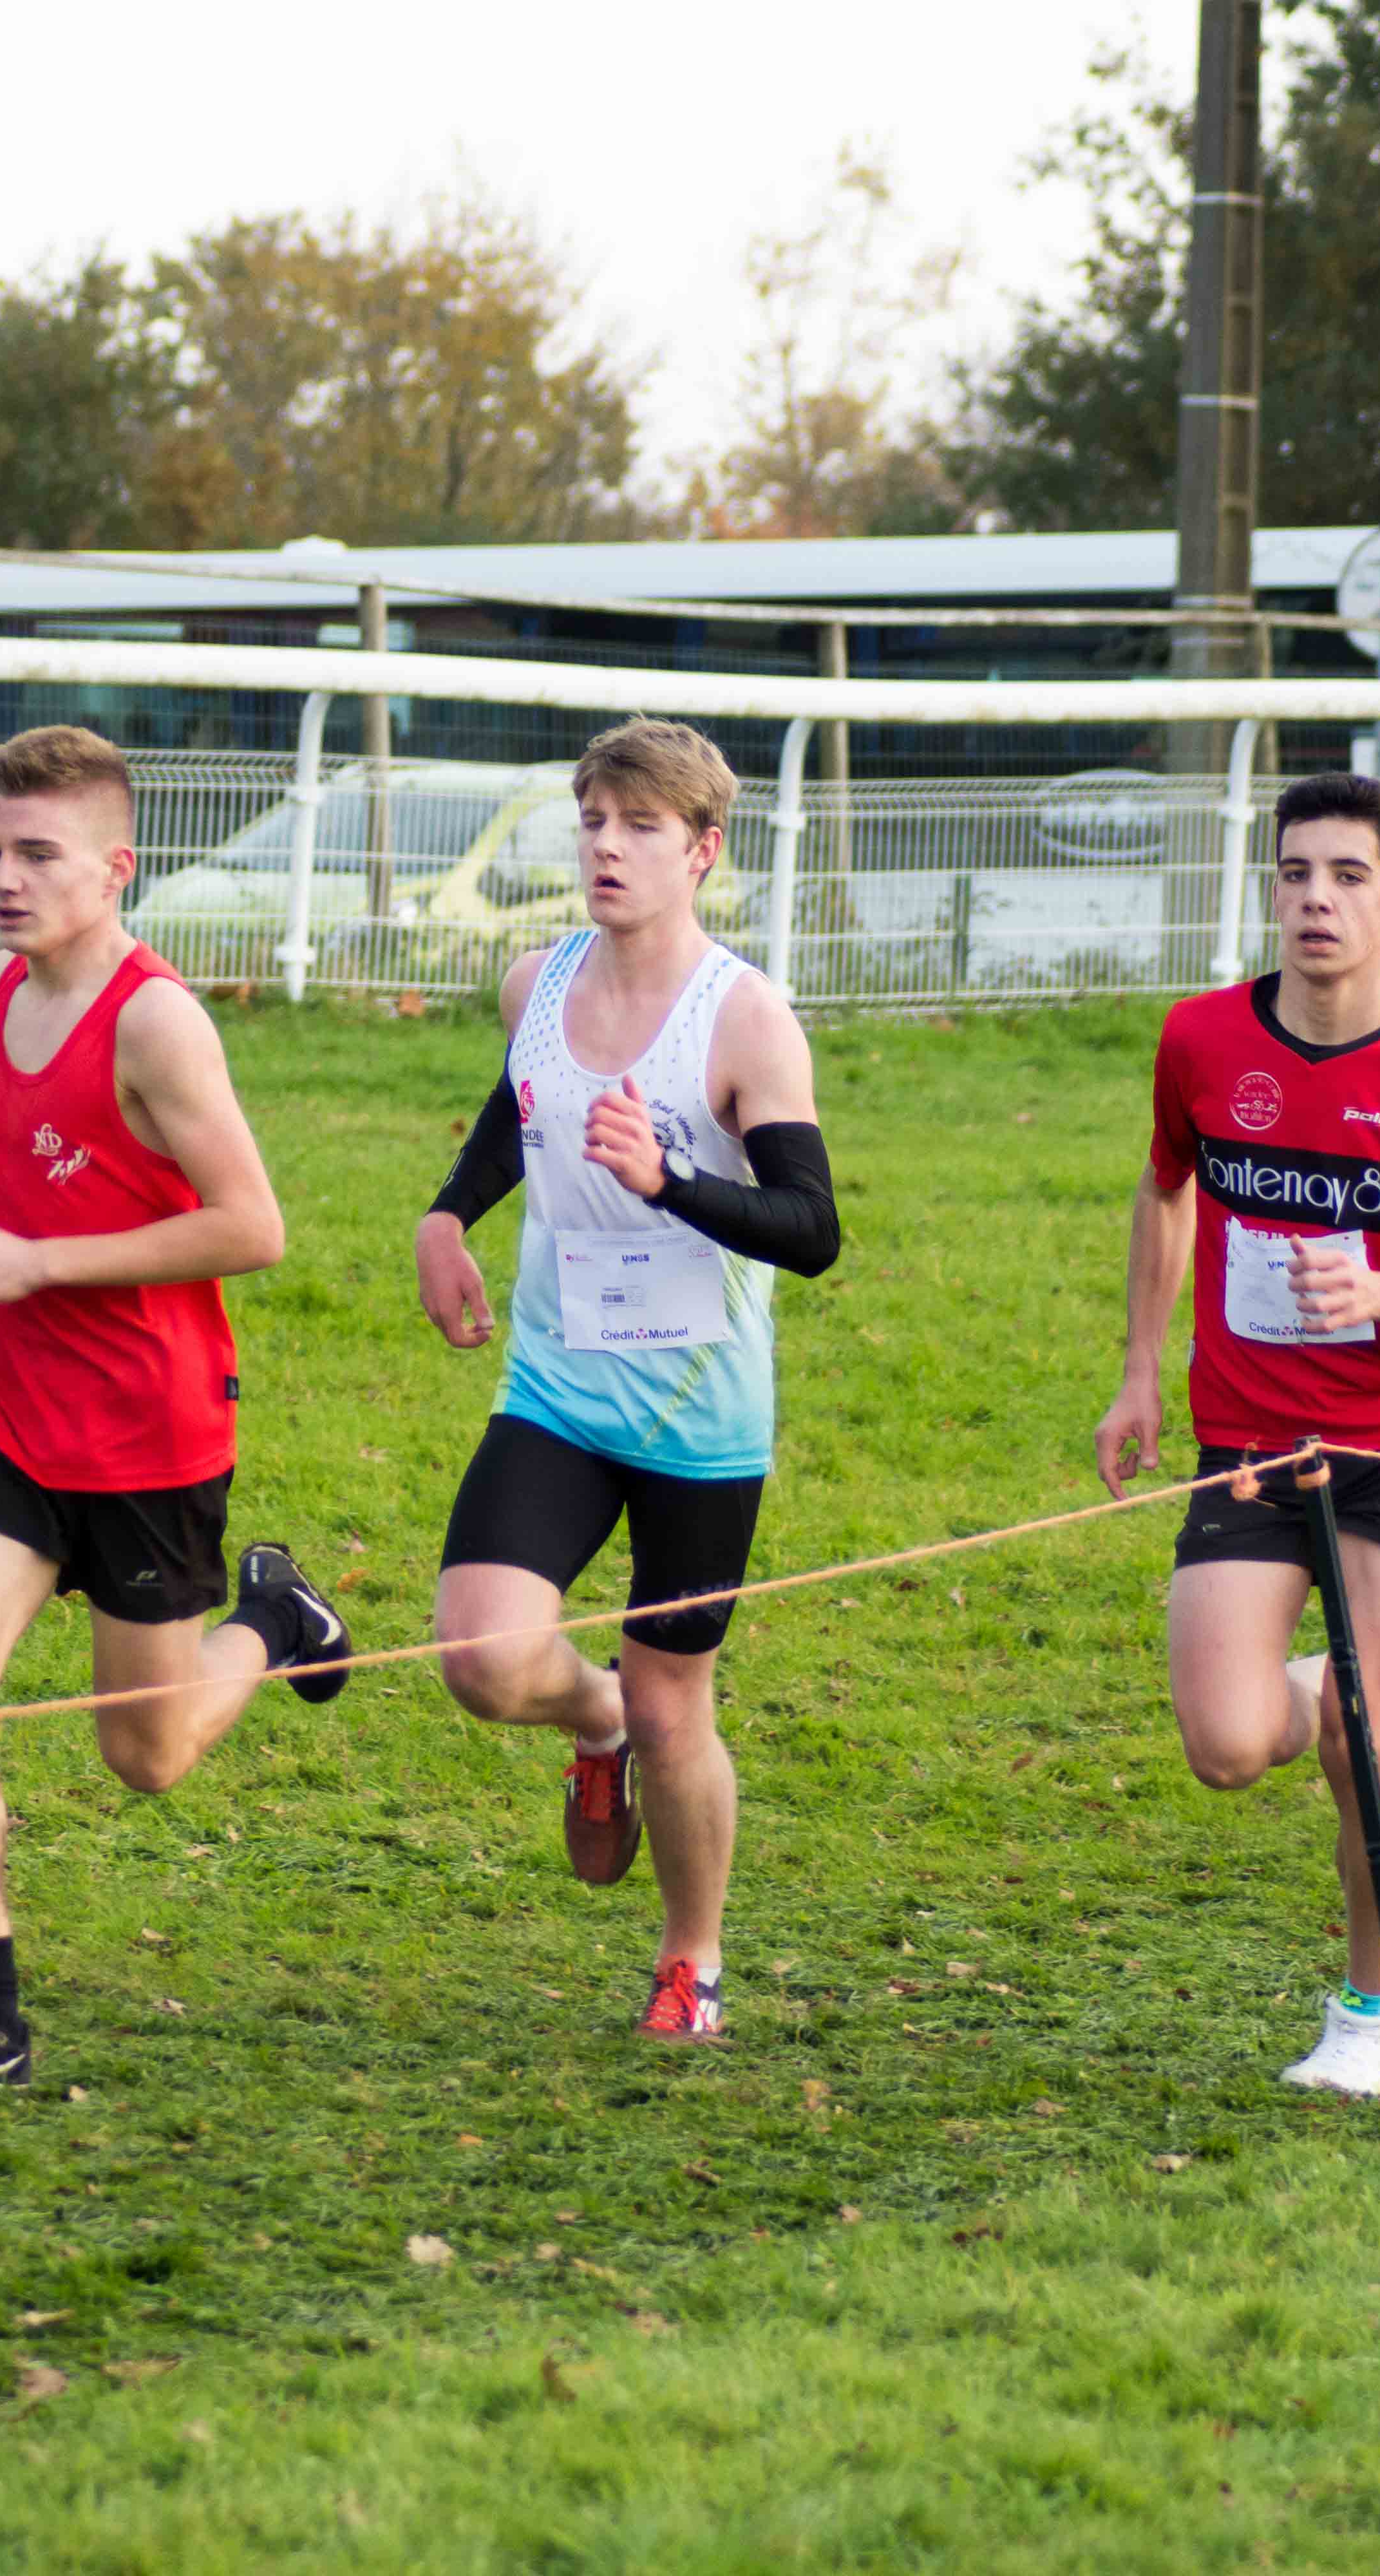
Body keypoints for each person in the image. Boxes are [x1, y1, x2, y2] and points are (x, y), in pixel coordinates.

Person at [0, 724, 350, 2093]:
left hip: (148, 1431)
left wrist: (40, 1262)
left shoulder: (156, 1021)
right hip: (10, 1417)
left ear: (117, 867)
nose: (5, 879)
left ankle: (276, 1619)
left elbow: (253, 1227)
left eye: (38, 854)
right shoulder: (1, 986)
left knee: (149, 1754)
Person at [1093, 771, 1380, 2098]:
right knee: (1228, 1746)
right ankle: (1335, 1677)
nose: (1316, 900)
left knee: (1366, 1734)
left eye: (1349, 878)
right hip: (1247, 1434)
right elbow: (1166, 1190)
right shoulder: (1201, 1040)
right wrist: (1140, 1371)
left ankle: (1370, 2014)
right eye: (1296, 873)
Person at [413, 718, 841, 2043]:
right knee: (482, 1657)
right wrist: (447, 1215)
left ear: (702, 851)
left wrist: (673, 1180)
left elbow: (812, 1229)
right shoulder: (535, 982)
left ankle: (690, 1958)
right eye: (593, 821)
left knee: (676, 1705)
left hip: (701, 1419)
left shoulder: (745, 1016)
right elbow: (523, 1109)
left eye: (640, 827)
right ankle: (588, 1713)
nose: (606, 846)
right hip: (557, 1388)